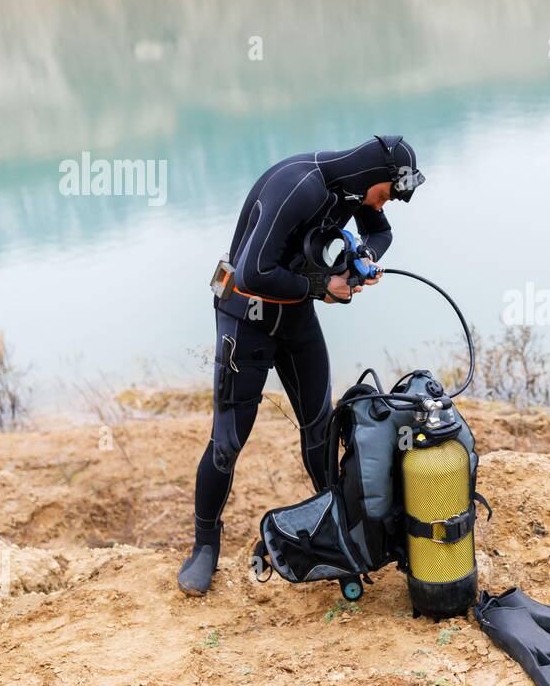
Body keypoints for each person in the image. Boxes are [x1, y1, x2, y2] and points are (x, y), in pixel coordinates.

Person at [177, 135, 423, 595]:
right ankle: (205, 546)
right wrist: (323, 287)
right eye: (387, 194)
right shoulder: (300, 186)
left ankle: (343, 539)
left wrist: (359, 263)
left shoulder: (354, 190)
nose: (383, 203)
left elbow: (380, 232)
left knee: (320, 432)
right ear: (376, 178)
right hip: (245, 320)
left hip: (295, 320)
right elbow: (254, 271)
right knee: (227, 443)